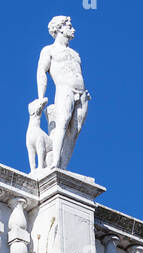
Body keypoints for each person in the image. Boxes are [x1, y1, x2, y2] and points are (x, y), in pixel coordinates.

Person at [36, 16, 90, 170]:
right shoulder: (49, 50)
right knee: (62, 122)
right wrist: (41, 98)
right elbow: (41, 72)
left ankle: (62, 166)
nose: (73, 29)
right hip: (64, 89)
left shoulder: (75, 53)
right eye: (69, 26)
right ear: (59, 28)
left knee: (75, 130)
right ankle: (54, 163)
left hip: (82, 93)